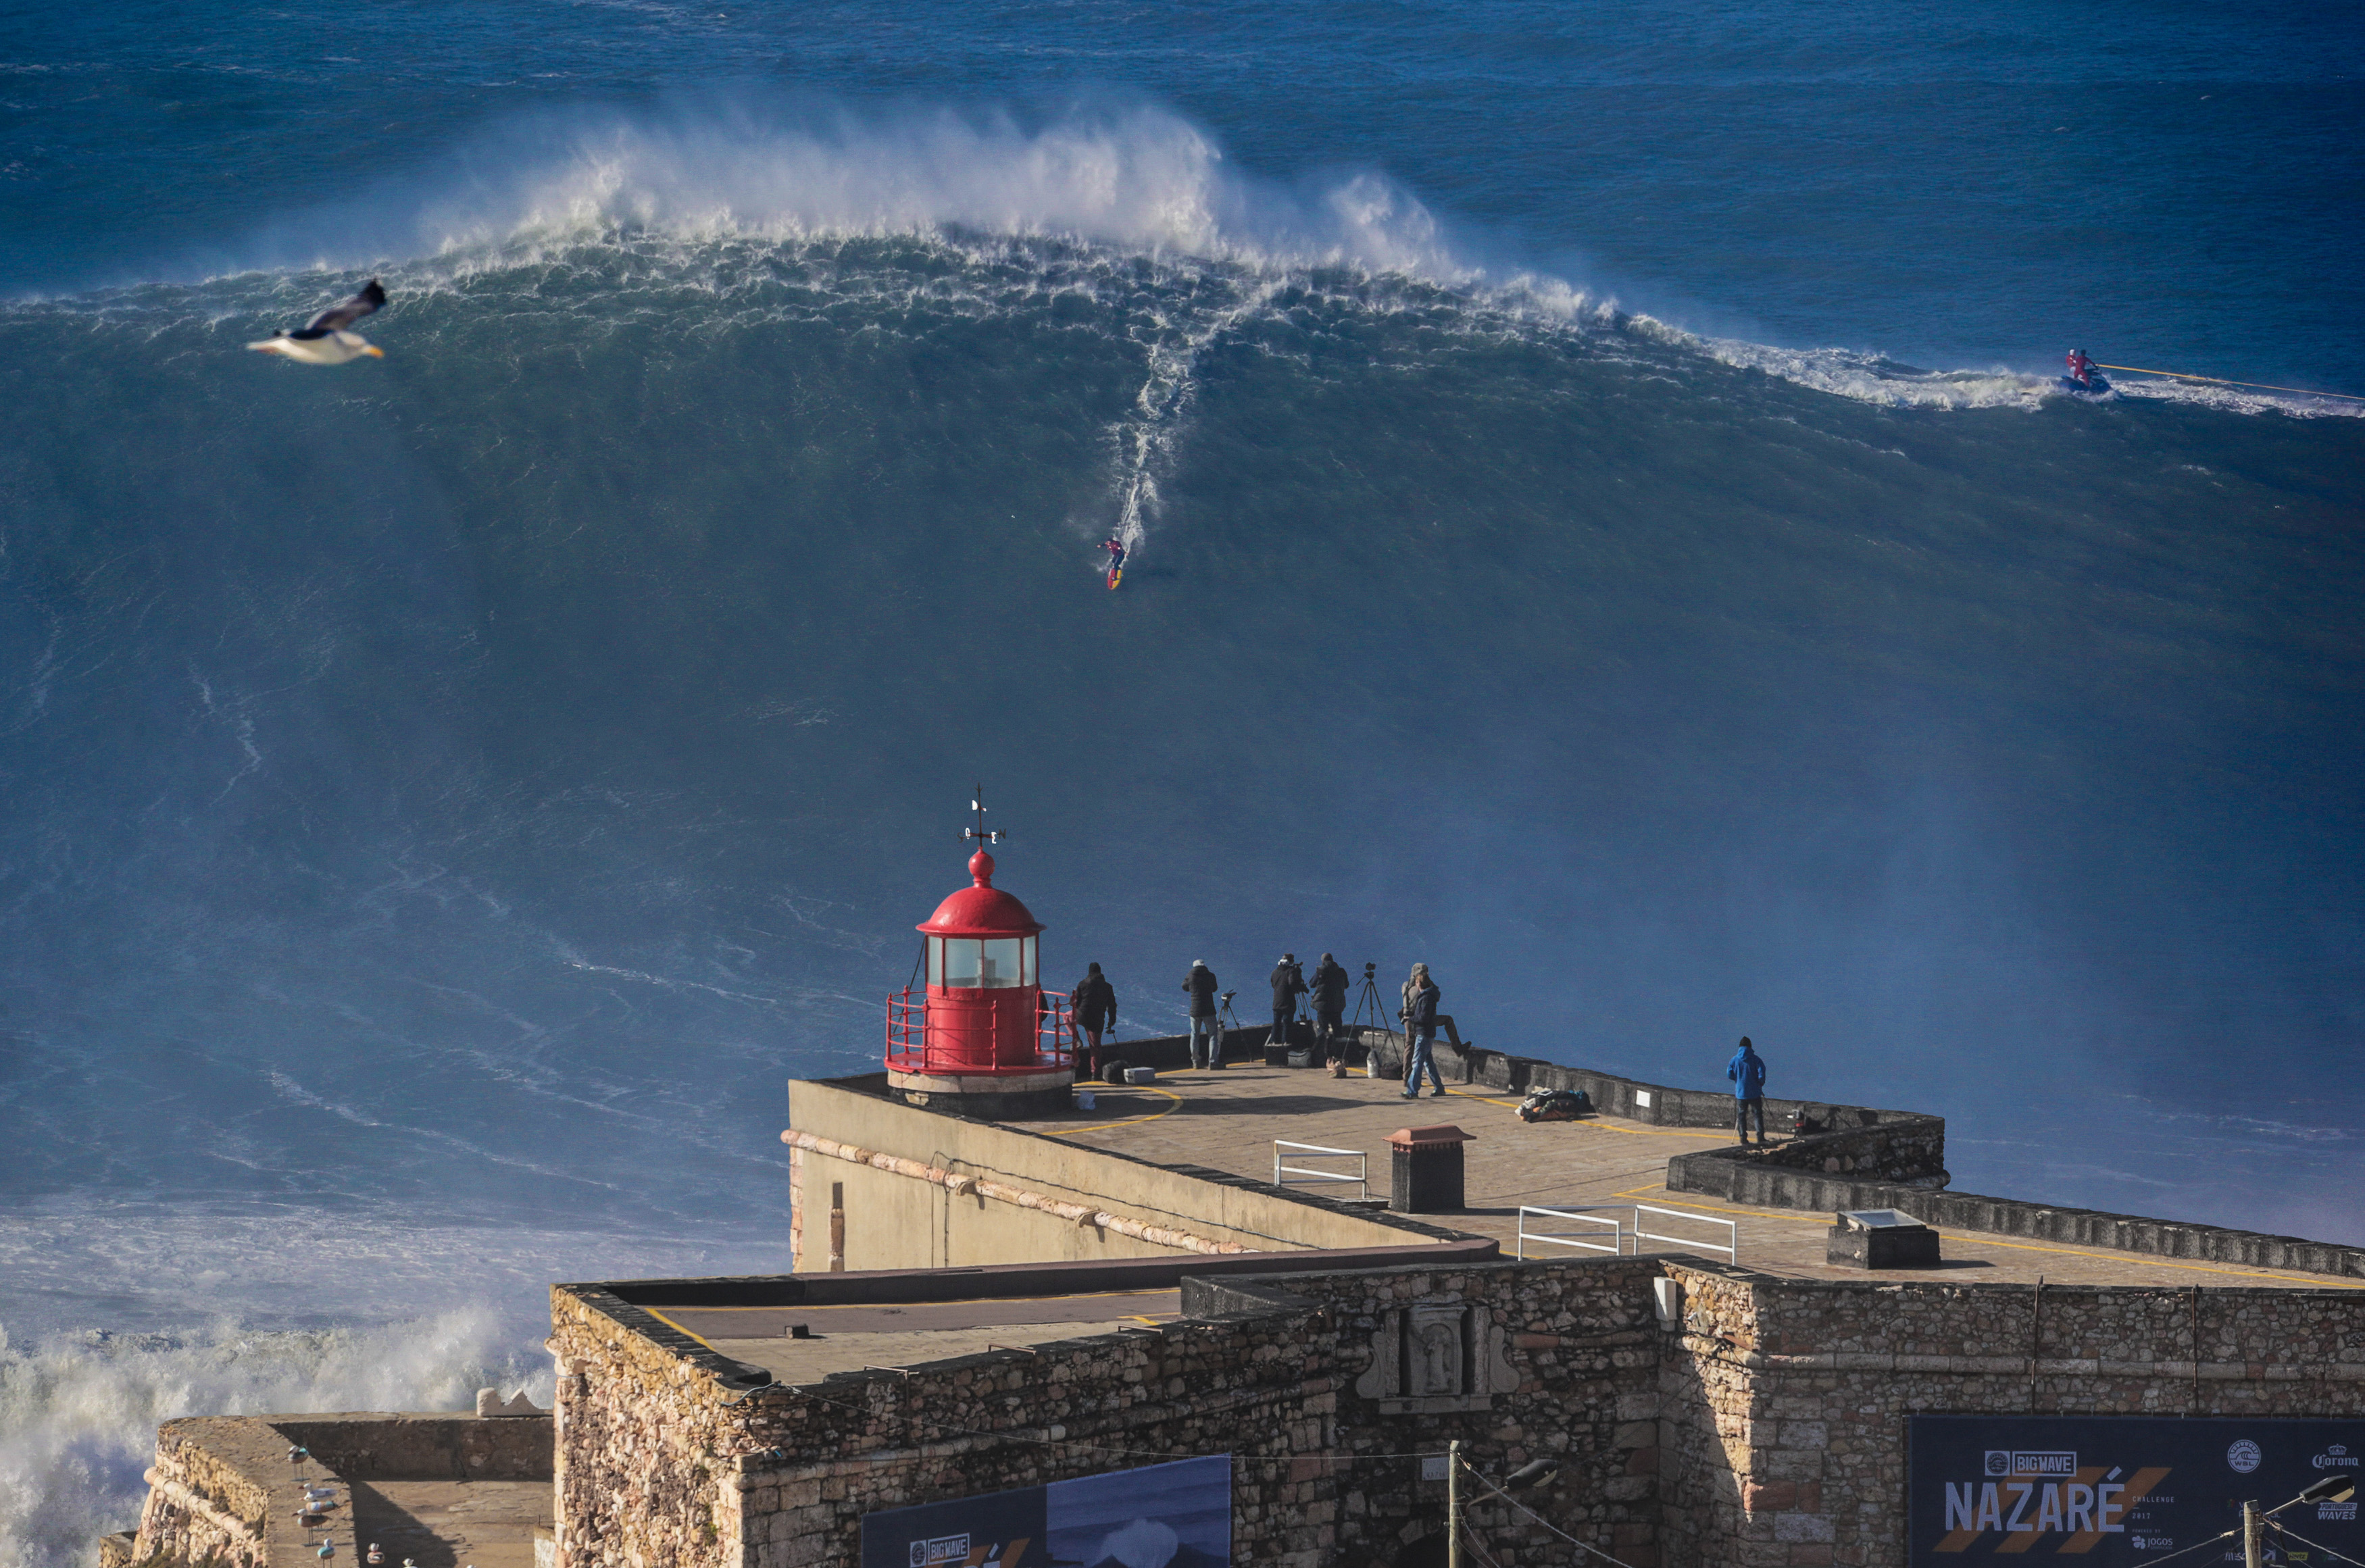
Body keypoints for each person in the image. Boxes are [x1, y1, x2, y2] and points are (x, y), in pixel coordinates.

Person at [1400, 962, 1444, 1099]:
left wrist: (1410, 1018)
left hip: (1423, 1033)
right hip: (1428, 1032)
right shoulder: (1430, 995)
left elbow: (1423, 1017)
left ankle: (1412, 1090)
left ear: (1420, 984)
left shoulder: (1425, 998)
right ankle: (1439, 1087)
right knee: (1428, 1062)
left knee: (1417, 1061)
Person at [1069, 963, 1116, 1077]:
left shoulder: (1082, 984)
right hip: (1097, 1020)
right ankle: (1095, 1073)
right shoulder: (1108, 987)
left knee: (1067, 1016)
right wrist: (1111, 1021)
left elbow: (1074, 1003)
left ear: (1089, 972)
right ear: (1100, 972)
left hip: (1081, 1015)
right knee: (1095, 1048)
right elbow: (1112, 1006)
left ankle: (1076, 1039)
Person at [1310, 953, 1350, 1076]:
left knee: (1322, 1031)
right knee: (1338, 1032)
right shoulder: (1341, 971)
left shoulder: (1321, 970)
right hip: (1337, 1006)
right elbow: (1347, 985)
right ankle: (1338, 1057)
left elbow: (1312, 984)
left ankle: (1321, 1057)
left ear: (1323, 961)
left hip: (1323, 1006)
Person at [1183, 960, 1223, 1069]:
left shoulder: (1190, 976)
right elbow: (1215, 988)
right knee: (1213, 1035)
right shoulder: (1210, 976)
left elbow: (1184, 987)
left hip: (1195, 1011)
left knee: (1195, 1035)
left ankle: (1195, 1061)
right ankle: (1213, 1062)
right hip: (1209, 1010)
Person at [1728, 1036, 1767, 1146]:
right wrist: (1760, 1083)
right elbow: (1762, 1073)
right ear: (1750, 1047)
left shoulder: (1734, 1060)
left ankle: (1743, 1138)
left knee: (1741, 1116)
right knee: (1757, 1115)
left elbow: (1729, 1074)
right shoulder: (1756, 1059)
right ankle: (1760, 1137)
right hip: (1755, 1092)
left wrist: (1738, 1079)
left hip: (1741, 1093)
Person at [1269, 953, 1308, 1056]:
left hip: (1276, 1002)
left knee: (1276, 1023)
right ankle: (1285, 1044)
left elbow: (1273, 985)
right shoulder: (1291, 972)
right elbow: (1293, 984)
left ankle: (1272, 1044)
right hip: (1288, 1002)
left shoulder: (1275, 972)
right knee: (1287, 1023)